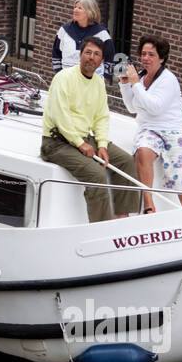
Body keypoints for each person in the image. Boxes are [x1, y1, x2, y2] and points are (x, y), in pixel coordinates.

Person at [40, 37, 140, 223]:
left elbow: (101, 117)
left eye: (96, 54)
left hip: (84, 139)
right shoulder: (64, 78)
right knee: (97, 175)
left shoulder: (98, 83)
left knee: (126, 161)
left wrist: (101, 145)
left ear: (101, 60)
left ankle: (122, 217)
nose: (91, 58)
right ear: (80, 55)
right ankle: (99, 226)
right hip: (56, 142)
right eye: (88, 52)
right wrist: (80, 143)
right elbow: (60, 116)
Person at [119, 35, 182, 211]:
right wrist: (126, 85)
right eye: (143, 54)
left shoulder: (168, 80)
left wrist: (135, 85)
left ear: (161, 59)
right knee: (142, 152)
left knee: (180, 181)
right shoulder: (139, 78)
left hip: (175, 130)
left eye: (151, 55)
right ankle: (149, 205)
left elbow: (154, 107)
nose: (145, 58)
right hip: (149, 129)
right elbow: (132, 108)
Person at [51, 0, 113, 77]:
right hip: (67, 82)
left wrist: (104, 79)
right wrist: (59, 75)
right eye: (75, 7)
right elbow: (56, 55)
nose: (75, 10)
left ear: (90, 12)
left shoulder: (102, 34)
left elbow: (110, 60)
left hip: (91, 83)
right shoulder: (64, 30)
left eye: (80, 8)